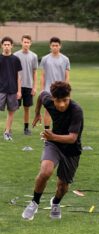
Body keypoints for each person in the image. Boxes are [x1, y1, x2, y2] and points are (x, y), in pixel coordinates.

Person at [22, 81, 83, 220]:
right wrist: (37, 113)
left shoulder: (76, 111)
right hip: (54, 144)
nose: (61, 104)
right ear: (53, 98)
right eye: (58, 101)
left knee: (63, 187)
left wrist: (52, 135)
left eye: (65, 100)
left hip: (71, 149)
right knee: (45, 171)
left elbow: (73, 138)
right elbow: (41, 96)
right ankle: (34, 203)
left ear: (70, 96)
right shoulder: (48, 100)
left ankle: (55, 203)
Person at [40, 37, 70, 129]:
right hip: (48, 90)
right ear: (50, 46)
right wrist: (42, 90)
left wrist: (66, 90)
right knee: (48, 111)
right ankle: (46, 132)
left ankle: (59, 131)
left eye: (57, 45)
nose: (55, 47)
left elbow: (67, 76)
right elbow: (42, 75)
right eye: (53, 45)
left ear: (60, 46)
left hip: (61, 91)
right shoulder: (45, 59)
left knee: (62, 111)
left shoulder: (65, 59)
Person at [14, 35, 38, 135]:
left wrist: (34, 87)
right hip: (17, 86)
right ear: (21, 42)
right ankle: (8, 129)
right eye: (25, 42)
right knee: (13, 108)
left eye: (28, 42)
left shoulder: (34, 56)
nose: (26, 44)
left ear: (30, 43)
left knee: (27, 108)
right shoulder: (15, 55)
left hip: (28, 86)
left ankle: (26, 129)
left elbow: (35, 72)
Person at [0, 36, 22, 141]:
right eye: (5, 45)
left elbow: (18, 76)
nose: (7, 47)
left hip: (13, 90)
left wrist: (19, 91)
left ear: (12, 46)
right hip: (1, 90)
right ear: (2, 46)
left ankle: (7, 132)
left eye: (8, 45)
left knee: (11, 112)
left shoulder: (16, 59)